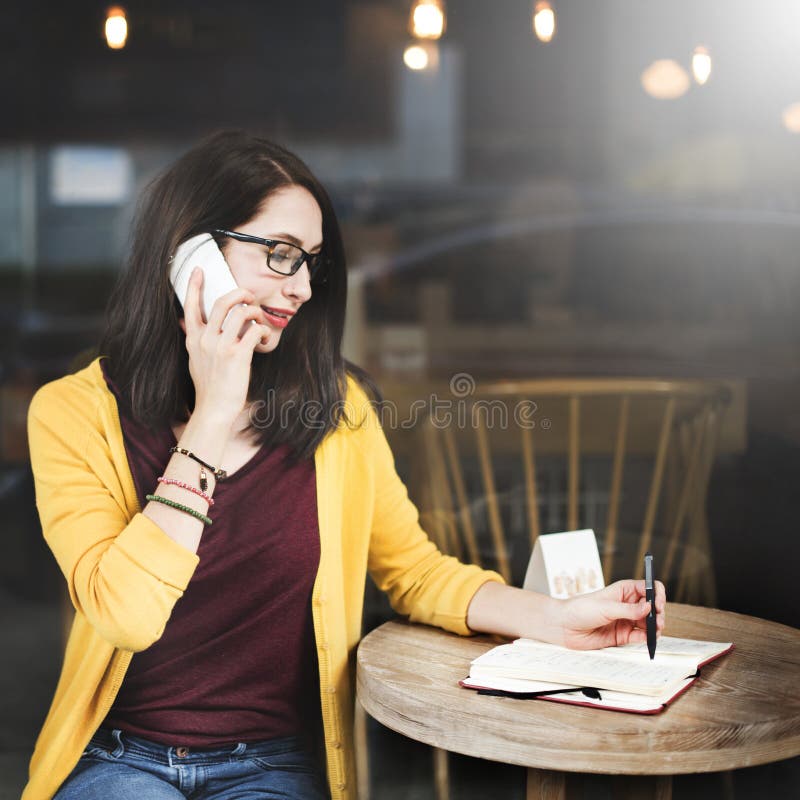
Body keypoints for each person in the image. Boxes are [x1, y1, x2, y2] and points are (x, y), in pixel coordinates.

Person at [24, 131, 666, 800]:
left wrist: (555, 618)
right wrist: (213, 416)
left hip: (270, 766)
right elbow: (126, 617)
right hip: (120, 759)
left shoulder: (337, 411)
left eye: (312, 262)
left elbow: (415, 573)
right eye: (280, 254)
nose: (303, 287)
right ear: (192, 256)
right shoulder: (72, 415)